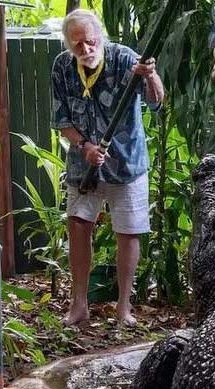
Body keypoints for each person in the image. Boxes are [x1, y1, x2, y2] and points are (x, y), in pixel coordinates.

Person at [51, 9, 165, 326]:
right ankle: (79, 306)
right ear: (68, 45)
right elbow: (62, 121)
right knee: (77, 224)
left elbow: (157, 102)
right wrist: (84, 147)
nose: (85, 50)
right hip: (83, 165)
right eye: (77, 45)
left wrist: (150, 75)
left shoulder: (125, 59)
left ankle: (124, 307)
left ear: (100, 37)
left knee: (128, 232)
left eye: (90, 42)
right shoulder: (62, 67)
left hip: (126, 163)